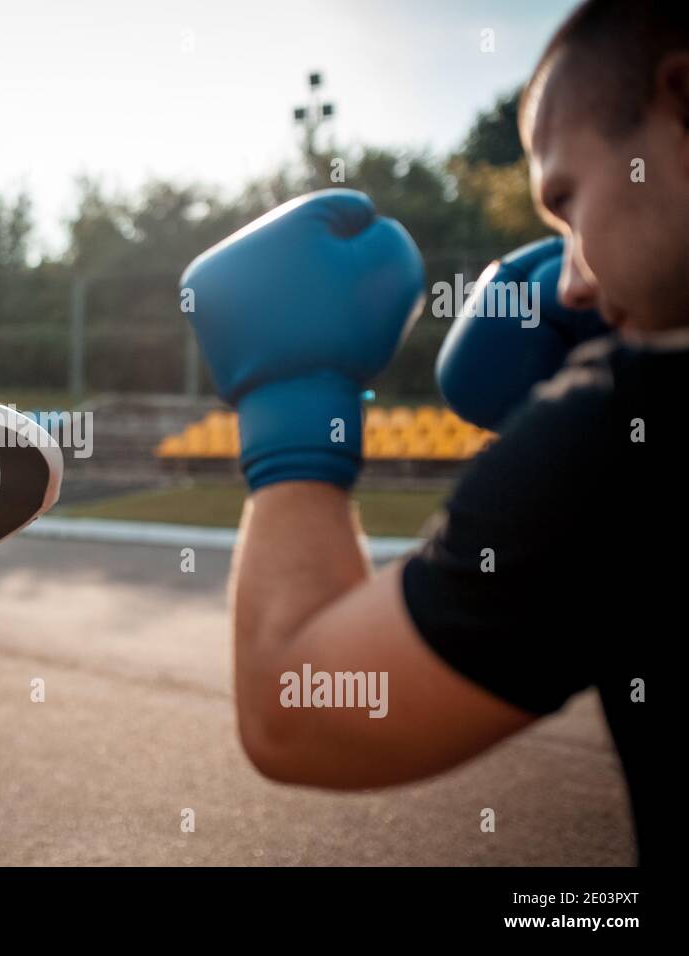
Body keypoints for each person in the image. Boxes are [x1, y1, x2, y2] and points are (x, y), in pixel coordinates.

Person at [182, 0, 685, 865]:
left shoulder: (624, 434)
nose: (568, 284)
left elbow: (297, 709)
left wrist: (294, 393)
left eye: (565, 202)